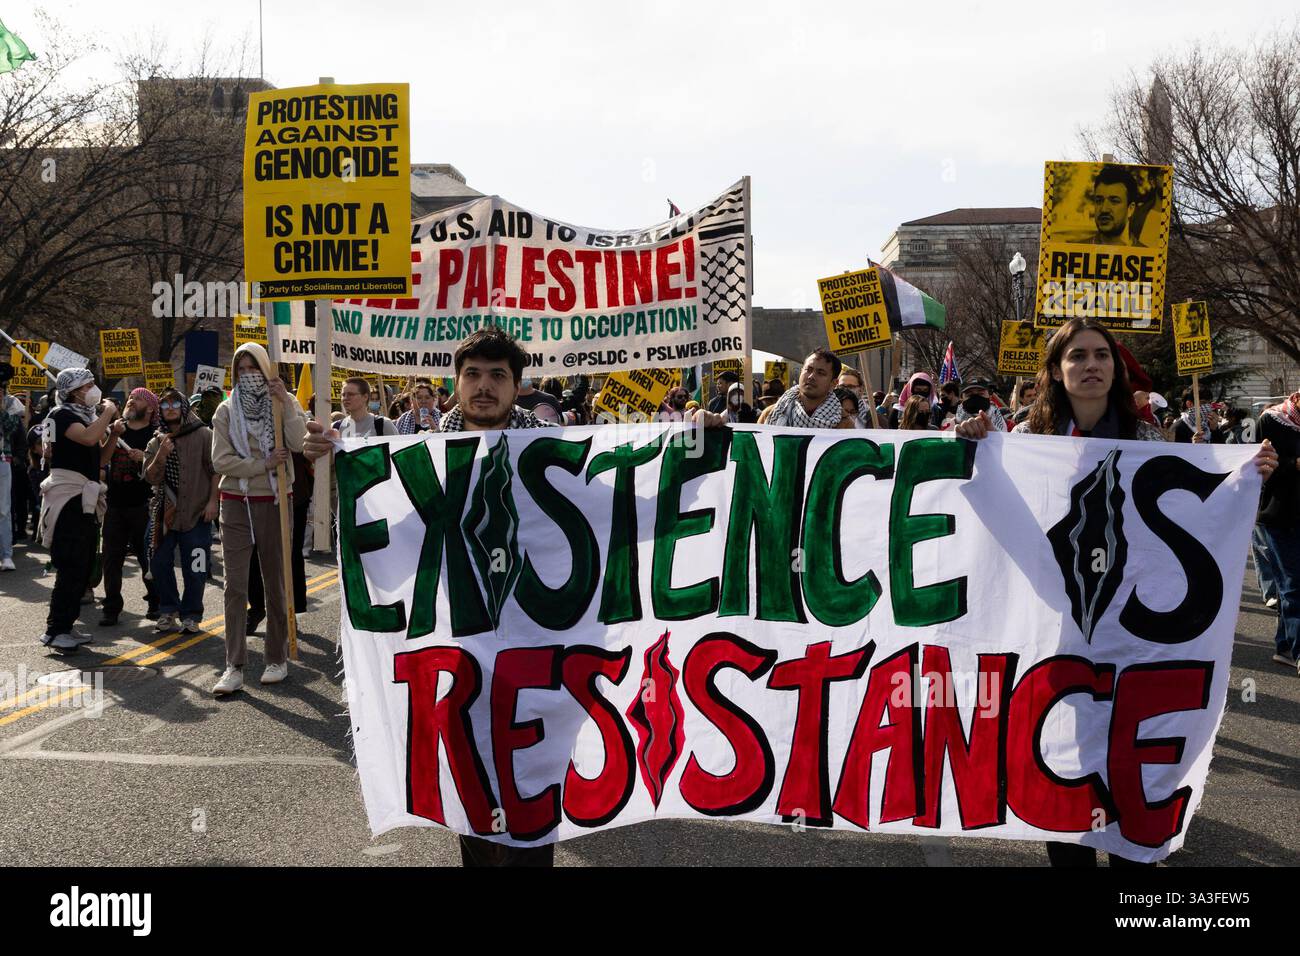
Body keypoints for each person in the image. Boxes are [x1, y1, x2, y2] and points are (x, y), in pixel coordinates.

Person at [957, 318, 1277, 865]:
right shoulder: (1023, 439)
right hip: (1055, 632)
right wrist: (965, 444)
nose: (1091, 365)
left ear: (1116, 367)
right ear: (1057, 371)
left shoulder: (1148, 439)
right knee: (1065, 759)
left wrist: (1247, 481)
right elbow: (979, 502)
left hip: (1135, 632)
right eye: (1077, 355)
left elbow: (1190, 518)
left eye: (1101, 354)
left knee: (1132, 761)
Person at [210, 343, 306, 696]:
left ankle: (276, 657)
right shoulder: (224, 410)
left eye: (254, 369)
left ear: (266, 371)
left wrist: (288, 403)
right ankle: (234, 664)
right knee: (234, 584)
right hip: (236, 500)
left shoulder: (282, 403)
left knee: (275, 580)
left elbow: (297, 442)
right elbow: (221, 460)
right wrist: (260, 464)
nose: (248, 375)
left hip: (275, 499)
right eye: (241, 369)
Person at [37, 369, 120, 654]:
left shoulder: (87, 418)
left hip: (85, 495)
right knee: (71, 565)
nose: (94, 389)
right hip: (68, 498)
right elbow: (86, 438)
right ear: (75, 391)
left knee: (83, 565)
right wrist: (107, 414)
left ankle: (67, 624)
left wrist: (114, 435)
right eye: (89, 385)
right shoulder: (61, 416)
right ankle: (55, 629)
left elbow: (99, 457)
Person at [144, 388, 218, 634]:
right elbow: (150, 477)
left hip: (197, 513)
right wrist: (162, 455)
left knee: (196, 567)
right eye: (164, 405)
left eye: (175, 403)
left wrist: (212, 502)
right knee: (158, 563)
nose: (171, 408)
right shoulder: (157, 440)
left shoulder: (204, 435)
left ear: (184, 406)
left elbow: (216, 471)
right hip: (164, 515)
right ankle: (168, 610)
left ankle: (192, 614)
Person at [98, 388, 161, 626]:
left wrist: (144, 458)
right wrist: (114, 436)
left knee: (147, 557)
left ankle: (155, 600)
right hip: (115, 504)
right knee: (111, 558)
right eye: (131, 398)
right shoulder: (116, 428)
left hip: (143, 504)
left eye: (139, 399)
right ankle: (112, 606)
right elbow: (103, 460)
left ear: (151, 408)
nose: (132, 401)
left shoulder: (155, 434)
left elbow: (161, 466)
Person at [1255, 393, 1300, 670]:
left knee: (1289, 584)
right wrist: (1293, 464)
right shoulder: (1271, 420)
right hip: (1280, 514)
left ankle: (1284, 645)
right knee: (1294, 584)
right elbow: (1255, 463)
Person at [760, 349, 845, 428]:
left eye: (820, 373)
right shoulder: (772, 413)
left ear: (834, 383)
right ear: (801, 372)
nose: (811, 376)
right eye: (808, 370)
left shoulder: (843, 423)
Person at [1083, 165, 1145, 246]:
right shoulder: (1078, 250)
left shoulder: (1146, 254)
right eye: (1099, 201)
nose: (1104, 209)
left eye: (1114, 201)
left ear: (1130, 209)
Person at [0, 373, 25, 571]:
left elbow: (10, 429)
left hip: (2, 460)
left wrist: (1, 409)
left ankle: (6, 555)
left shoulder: (11, 404)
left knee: (3, 510)